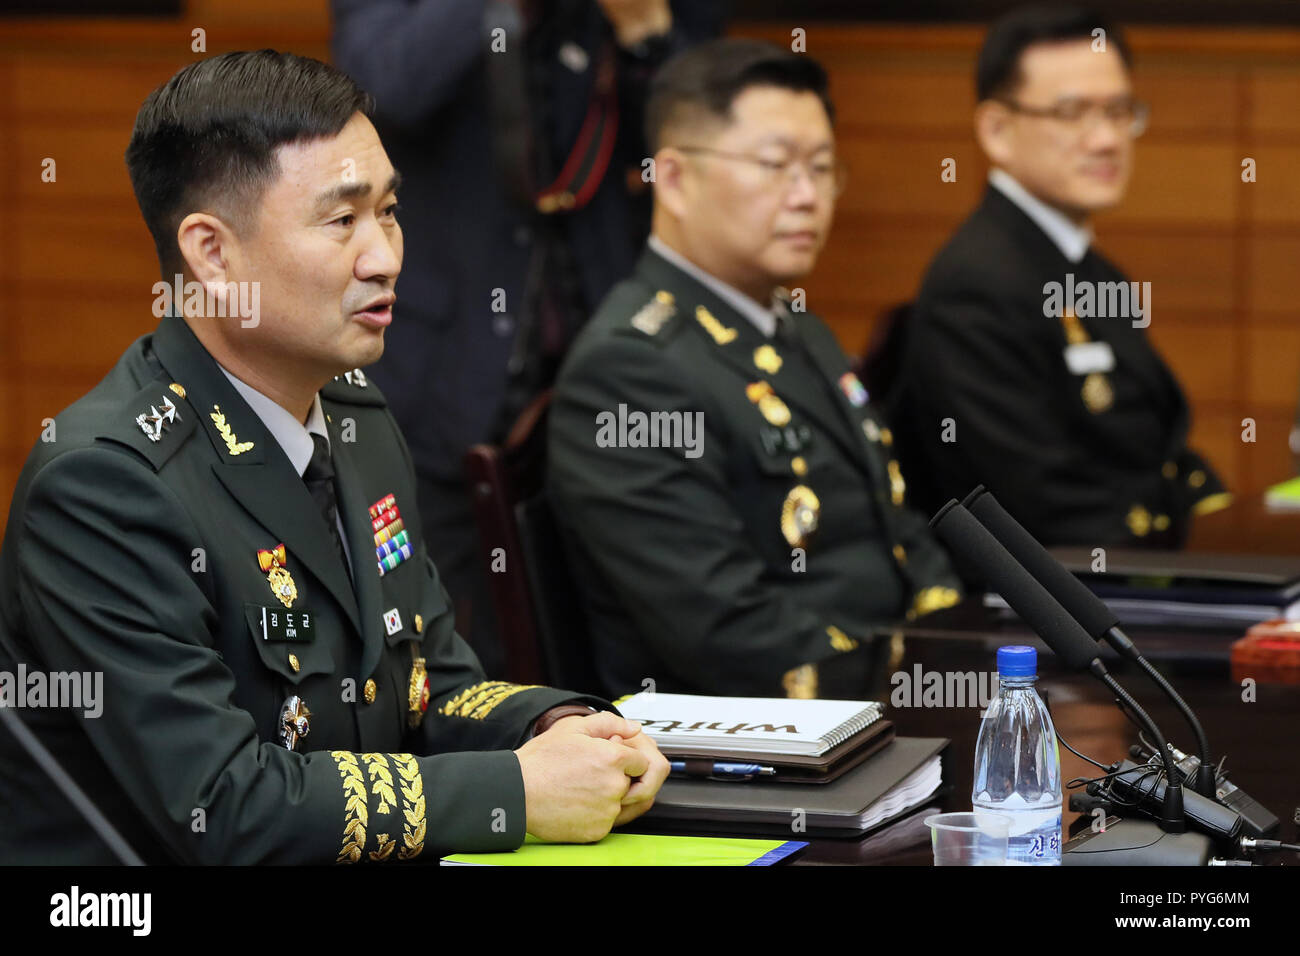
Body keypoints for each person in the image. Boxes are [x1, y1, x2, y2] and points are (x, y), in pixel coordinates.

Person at [0, 50, 667, 865]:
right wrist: (518, 792)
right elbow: (224, 807)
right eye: (341, 220)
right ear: (212, 254)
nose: (384, 257)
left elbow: (427, 687)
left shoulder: (354, 415)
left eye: (387, 212)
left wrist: (554, 726)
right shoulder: (104, 485)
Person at [547, 39, 963, 699]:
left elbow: (898, 527)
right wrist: (928, 686)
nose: (807, 196)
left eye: (823, 168)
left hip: (888, 697)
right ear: (676, 180)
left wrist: (959, 645)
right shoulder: (629, 371)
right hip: (771, 743)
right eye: (775, 166)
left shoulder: (792, 324)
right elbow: (727, 637)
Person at [331, 0, 724, 674]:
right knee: (446, 648)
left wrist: (643, 34)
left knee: (610, 638)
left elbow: (696, 150)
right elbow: (384, 84)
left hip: (603, 365)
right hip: (443, 371)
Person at [887, 3, 1229, 548]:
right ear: (997, 130)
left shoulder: (1090, 269)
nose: (1106, 140)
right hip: (1051, 610)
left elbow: (1154, 448)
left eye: (1119, 111)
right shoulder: (976, 284)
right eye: (1072, 113)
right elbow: (1041, 512)